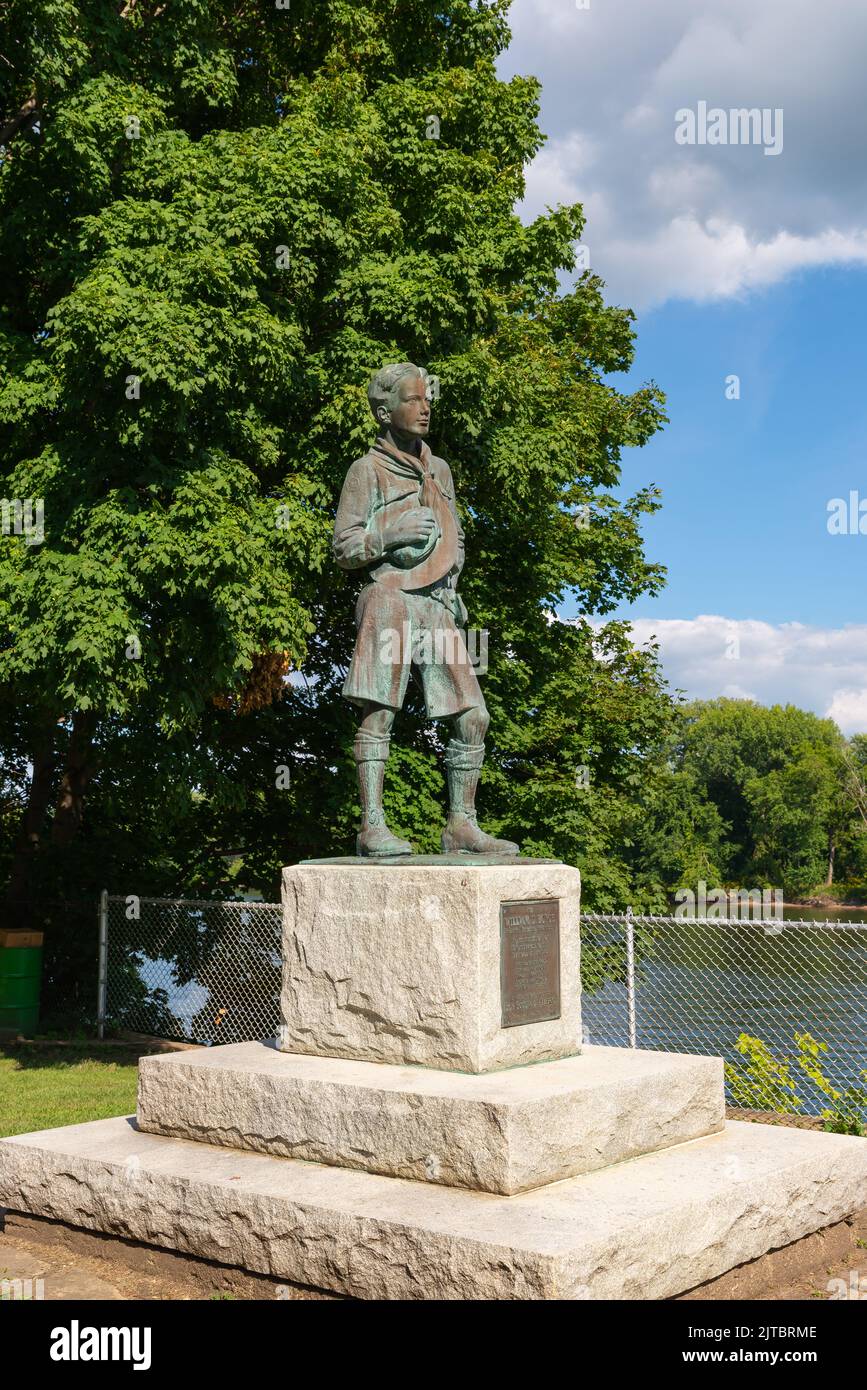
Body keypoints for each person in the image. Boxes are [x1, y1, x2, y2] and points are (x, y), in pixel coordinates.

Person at [333, 361, 520, 857]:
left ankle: (461, 824)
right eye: (413, 400)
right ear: (384, 410)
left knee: (473, 717)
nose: (424, 407)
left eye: (426, 399)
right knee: (379, 709)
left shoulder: (440, 470)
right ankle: (372, 825)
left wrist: (453, 586)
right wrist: (388, 535)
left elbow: (453, 535)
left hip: (436, 601)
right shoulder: (365, 471)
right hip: (390, 595)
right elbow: (344, 548)